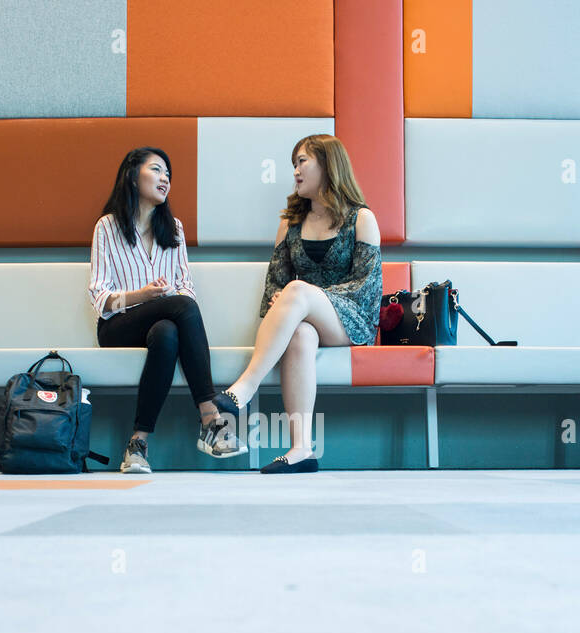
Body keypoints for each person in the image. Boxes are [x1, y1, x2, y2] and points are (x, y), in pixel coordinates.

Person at [213, 134, 382, 473]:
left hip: (351, 318)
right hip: (306, 315)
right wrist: (282, 296)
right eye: (294, 164)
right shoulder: (290, 223)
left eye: (302, 161)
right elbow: (276, 280)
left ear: (327, 165)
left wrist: (305, 294)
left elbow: (368, 286)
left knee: (299, 291)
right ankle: (302, 448)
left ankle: (244, 387)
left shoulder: (360, 219)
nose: (295, 171)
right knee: (301, 333)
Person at [88, 146, 243, 473]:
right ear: (132, 175)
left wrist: (166, 299)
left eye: (168, 175)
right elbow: (101, 299)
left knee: (167, 331)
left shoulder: (173, 229)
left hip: (163, 326)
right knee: (180, 309)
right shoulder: (107, 227)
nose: (165, 179)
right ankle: (209, 415)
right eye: (156, 170)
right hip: (119, 327)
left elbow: (186, 286)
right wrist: (142, 295)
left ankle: (137, 444)